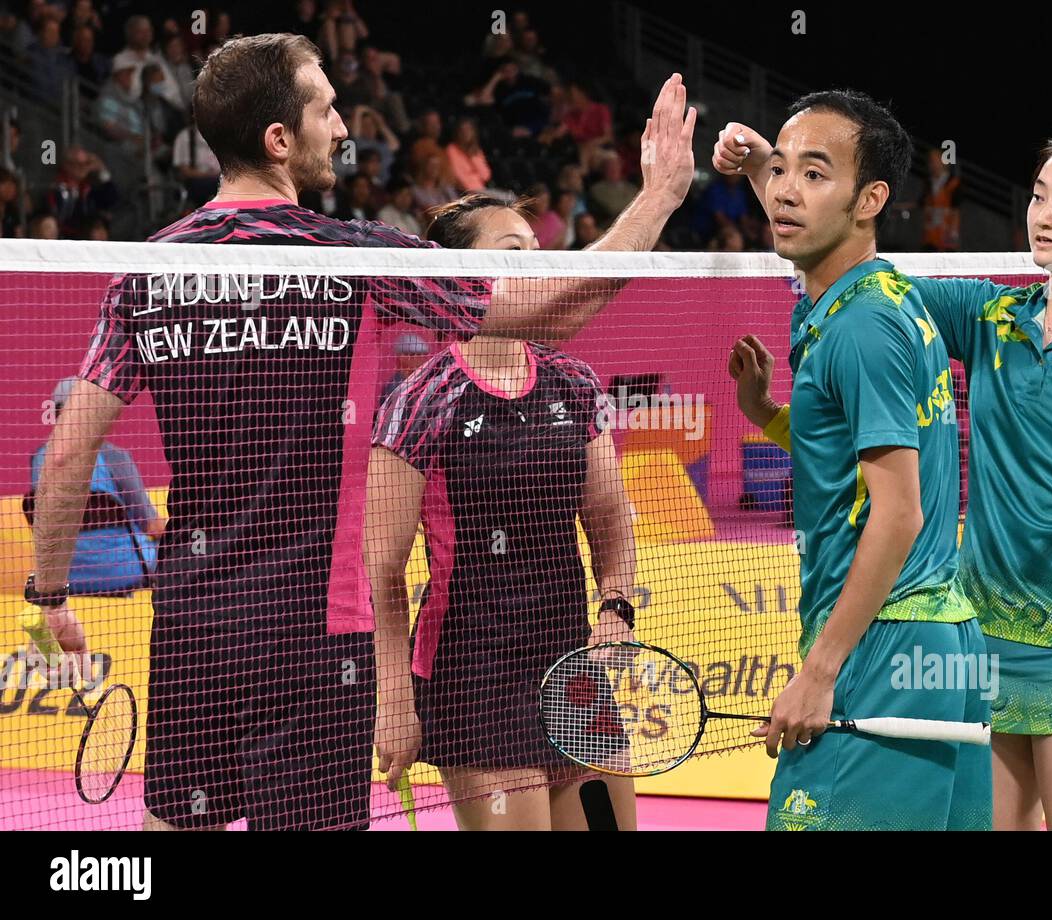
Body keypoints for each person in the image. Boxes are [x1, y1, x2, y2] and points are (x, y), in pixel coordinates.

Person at [27, 32, 696, 832]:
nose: (344, 129)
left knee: (179, 824)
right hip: (317, 628)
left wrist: (52, 591)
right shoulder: (345, 253)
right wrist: (657, 196)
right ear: (280, 140)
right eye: (326, 109)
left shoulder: (150, 267)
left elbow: (71, 446)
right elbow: (553, 311)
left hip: (196, 623)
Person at [722, 115, 1052, 830]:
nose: (1043, 215)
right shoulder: (990, 315)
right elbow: (854, 271)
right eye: (1040, 195)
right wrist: (774, 168)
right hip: (977, 648)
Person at [715, 90, 991, 831]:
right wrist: (766, 415)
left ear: (870, 199)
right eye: (782, 174)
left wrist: (818, 671)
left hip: (882, 643)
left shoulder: (859, 328)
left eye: (814, 174)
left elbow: (898, 512)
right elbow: (852, 467)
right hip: (946, 646)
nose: (785, 192)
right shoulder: (862, 298)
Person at [368, 194, 637, 830]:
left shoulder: (574, 382)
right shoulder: (420, 402)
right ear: (460, 277)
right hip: (473, 674)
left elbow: (610, 520)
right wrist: (395, 696)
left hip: (572, 667)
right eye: (511, 252)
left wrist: (616, 610)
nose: (534, 266)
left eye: (536, 252)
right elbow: (381, 569)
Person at [31, 377, 164, 595]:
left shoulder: (38, 460)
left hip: (62, 578)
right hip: (126, 571)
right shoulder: (116, 458)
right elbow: (151, 526)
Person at [379, 331, 429, 405]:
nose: (419, 359)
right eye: (413, 355)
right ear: (402, 357)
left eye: (422, 355)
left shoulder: (424, 380)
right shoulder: (395, 386)